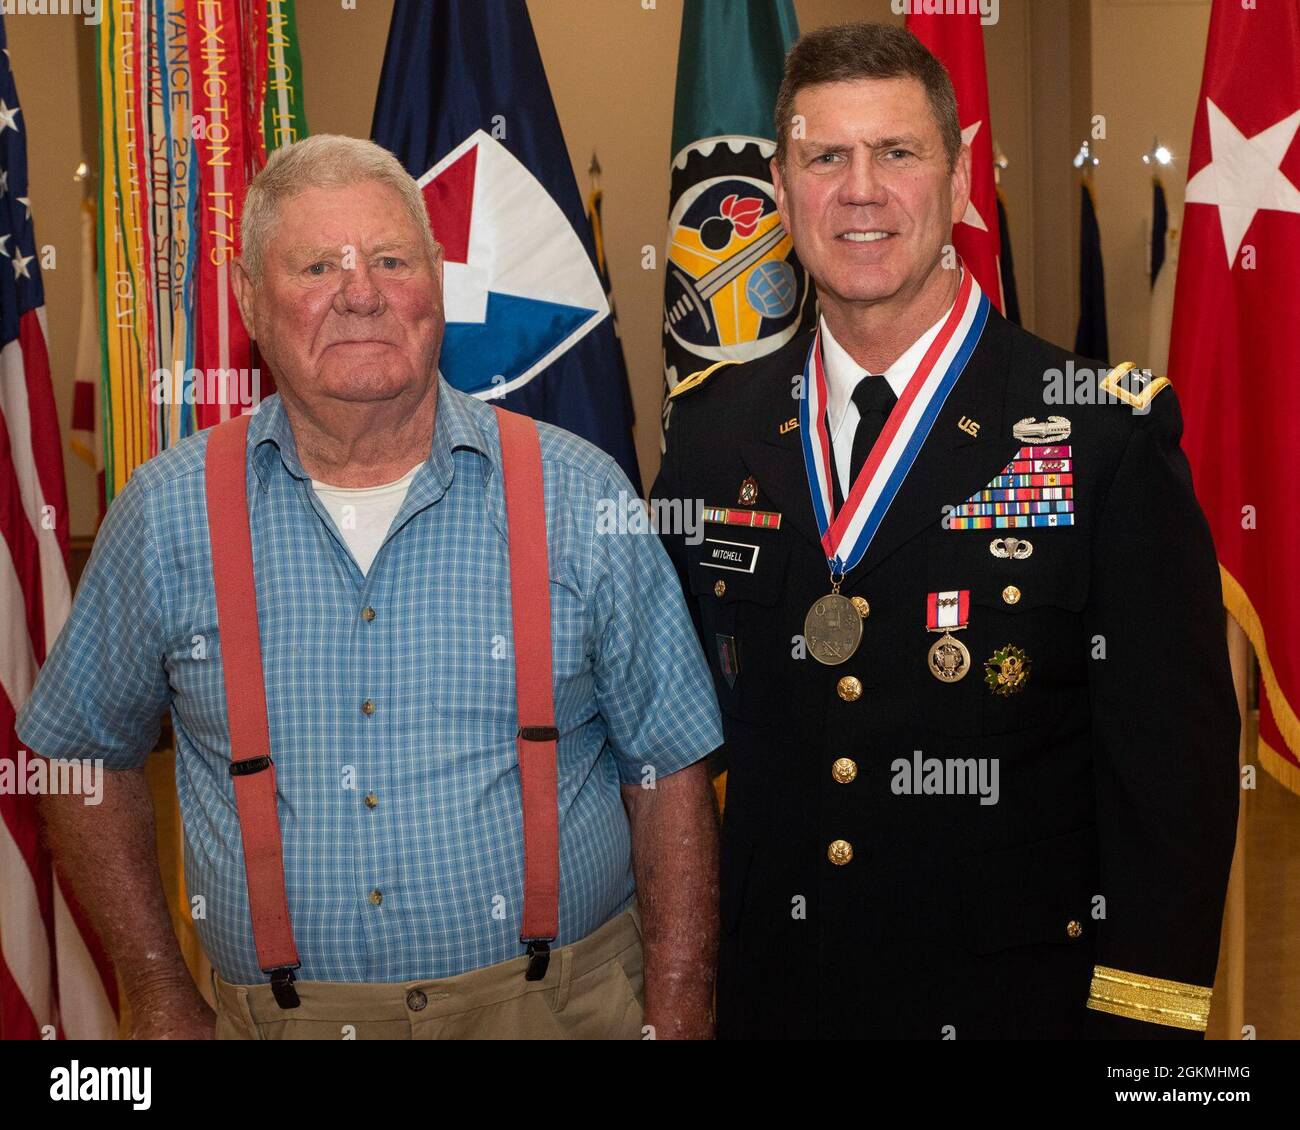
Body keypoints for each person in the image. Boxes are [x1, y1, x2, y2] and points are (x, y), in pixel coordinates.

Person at [19, 134, 722, 1040]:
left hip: (563, 1011)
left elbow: (670, 769)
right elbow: (81, 756)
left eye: (391, 259)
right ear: (249, 300)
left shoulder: (579, 494)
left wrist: (680, 1002)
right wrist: (156, 985)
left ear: (436, 280)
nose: (361, 291)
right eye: (317, 265)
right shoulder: (165, 514)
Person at [652, 23, 1239, 1040]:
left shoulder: (1098, 433)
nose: (860, 189)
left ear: (960, 180)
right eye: (823, 157)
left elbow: (1170, 791)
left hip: (1017, 1007)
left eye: (897, 152)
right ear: (782, 195)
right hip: (778, 1001)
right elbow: (666, 738)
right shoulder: (713, 434)